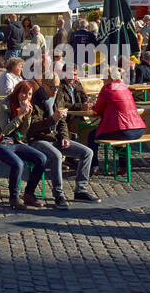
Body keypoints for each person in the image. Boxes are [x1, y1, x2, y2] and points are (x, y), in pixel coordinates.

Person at [29, 76, 98, 207]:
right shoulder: (34, 99)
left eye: (57, 87)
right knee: (56, 156)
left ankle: (81, 191)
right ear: (44, 86)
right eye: (53, 87)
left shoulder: (58, 95)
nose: (56, 90)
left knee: (87, 152)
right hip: (38, 139)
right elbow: (32, 128)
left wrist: (65, 137)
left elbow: (62, 121)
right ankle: (58, 195)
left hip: (55, 137)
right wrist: (52, 119)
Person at [0, 80, 47, 211]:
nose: (26, 97)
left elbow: (22, 133)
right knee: (18, 164)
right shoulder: (4, 106)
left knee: (42, 159)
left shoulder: (23, 106)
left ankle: (29, 194)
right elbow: (4, 131)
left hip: (14, 142)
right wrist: (21, 116)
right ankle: (14, 198)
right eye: (24, 93)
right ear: (17, 92)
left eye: (29, 94)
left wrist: (28, 116)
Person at [87, 65, 146, 166]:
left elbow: (97, 111)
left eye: (104, 78)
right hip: (138, 129)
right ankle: (123, 165)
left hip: (124, 130)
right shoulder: (125, 88)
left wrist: (91, 106)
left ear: (110, 78)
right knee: (116, 135)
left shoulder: (107, 89)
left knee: (92, 136)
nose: (102, 80)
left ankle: (94, 166)